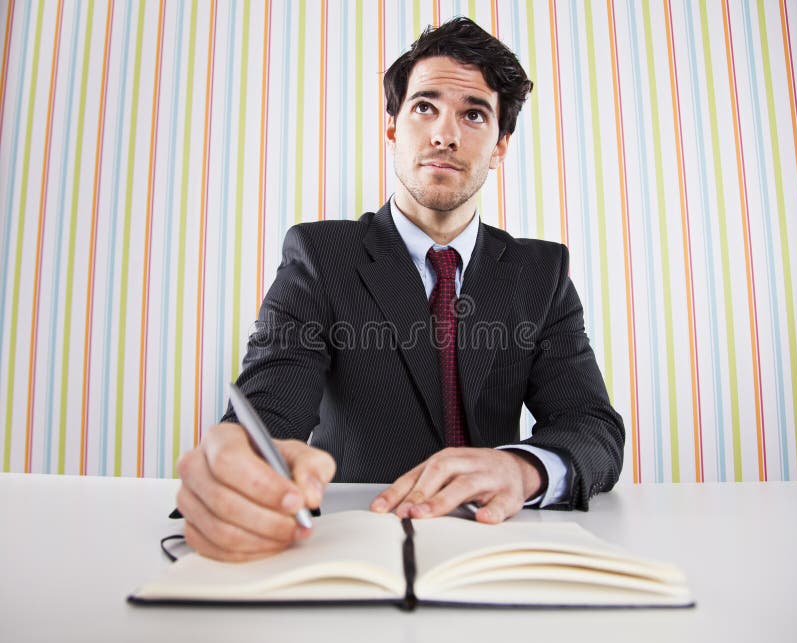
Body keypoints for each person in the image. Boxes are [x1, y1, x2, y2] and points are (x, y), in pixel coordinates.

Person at [176, 17, 624, 562]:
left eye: (474, 114)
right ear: (392, 127)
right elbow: (269, 413)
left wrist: (523, 468)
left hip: (494, 549)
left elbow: (592, 426)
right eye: (424, 107)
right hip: (357, 547)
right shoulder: (320, 256)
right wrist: (240, 466)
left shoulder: (541, 272)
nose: (444, 134)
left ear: (501, 145)